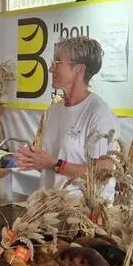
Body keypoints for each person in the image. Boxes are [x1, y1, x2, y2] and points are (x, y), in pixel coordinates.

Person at [15, 36, 117, 188]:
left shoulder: (99, 114)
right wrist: (32, 160)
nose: (50, 69)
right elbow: (49, 160)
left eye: (57, 63)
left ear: (78, 69)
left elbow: (102, 175)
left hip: (82, 209)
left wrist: (56, 165)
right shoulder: (53, 111)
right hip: (50, 205)